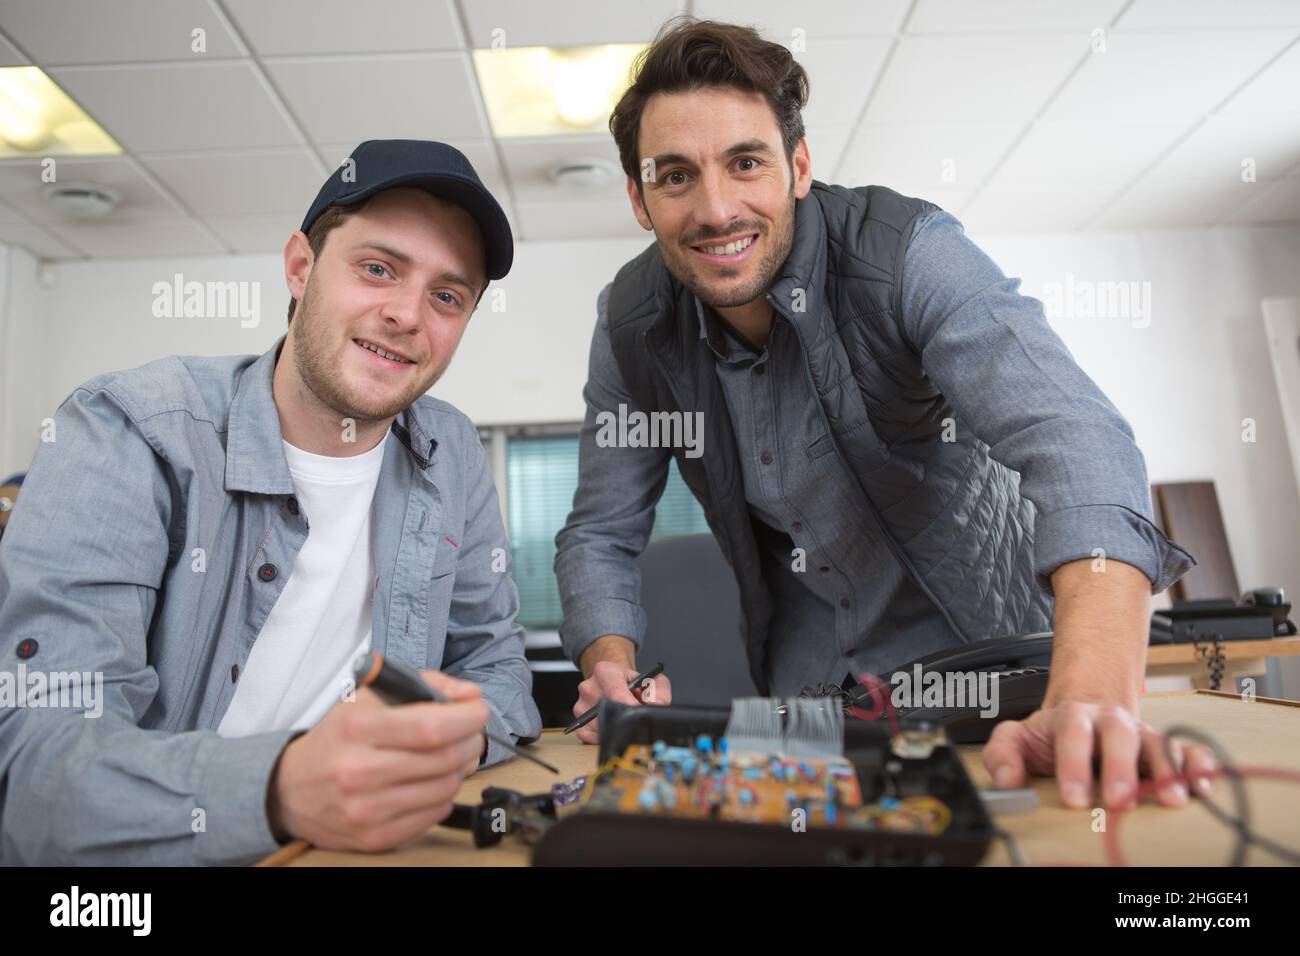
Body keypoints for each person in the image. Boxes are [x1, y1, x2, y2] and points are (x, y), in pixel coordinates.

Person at [554, 19, 1214, 811]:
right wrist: (609, 662)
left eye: (746, 162)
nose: (716, 207)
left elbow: (1075, 438)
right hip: (810, 701)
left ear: (798, 166)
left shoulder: (905, 254)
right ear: (638, 197)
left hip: (994, 676)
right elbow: (600, 530)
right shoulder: (632, 325)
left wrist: (1093, 691)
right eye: (675, 176)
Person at [0, 140, 541, 864]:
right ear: (300, 266)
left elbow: (497, 669)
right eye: (377, 268)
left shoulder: (451, 451)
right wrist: (280, 787)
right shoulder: (125, 432)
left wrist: (450, 739)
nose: (408, 315)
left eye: (448, 296)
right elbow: (39, 765)